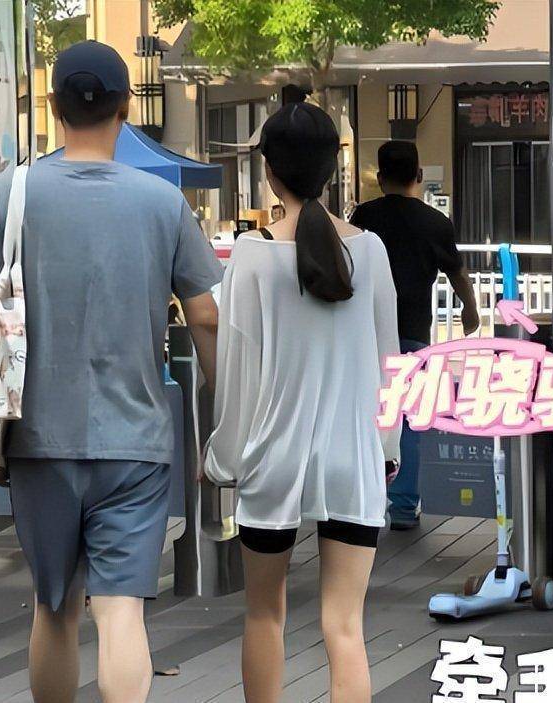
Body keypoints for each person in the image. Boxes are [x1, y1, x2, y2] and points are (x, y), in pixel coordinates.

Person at [0, 41, 221, 703]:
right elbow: (206, 316)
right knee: (121, 611)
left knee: (54, 608)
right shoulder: (163, 201)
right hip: (135, 442)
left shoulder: (10, 193)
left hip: (38, 439)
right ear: (126, 107)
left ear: (53, 106)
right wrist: (221, 409)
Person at [203, 102, 401, 703]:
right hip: (352, 457)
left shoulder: (252, 254)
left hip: (273, 460)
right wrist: (385, 451)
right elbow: (390, 364)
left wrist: (222, 461)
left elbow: (239, 376)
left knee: (265, 616)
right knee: (345, 626)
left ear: (268, 171)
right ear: (333, 167)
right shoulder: (371, 250)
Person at [349, 140, 479, 530]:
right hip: (413, 335)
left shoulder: (363, 217)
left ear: (379, 177)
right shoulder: (435, 222)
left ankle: (366, 501)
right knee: (407, 419)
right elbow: (457, 272)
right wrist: (470, 309)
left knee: (366, 414)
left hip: (367, 334)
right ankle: (404, 506)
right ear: (418, 175)